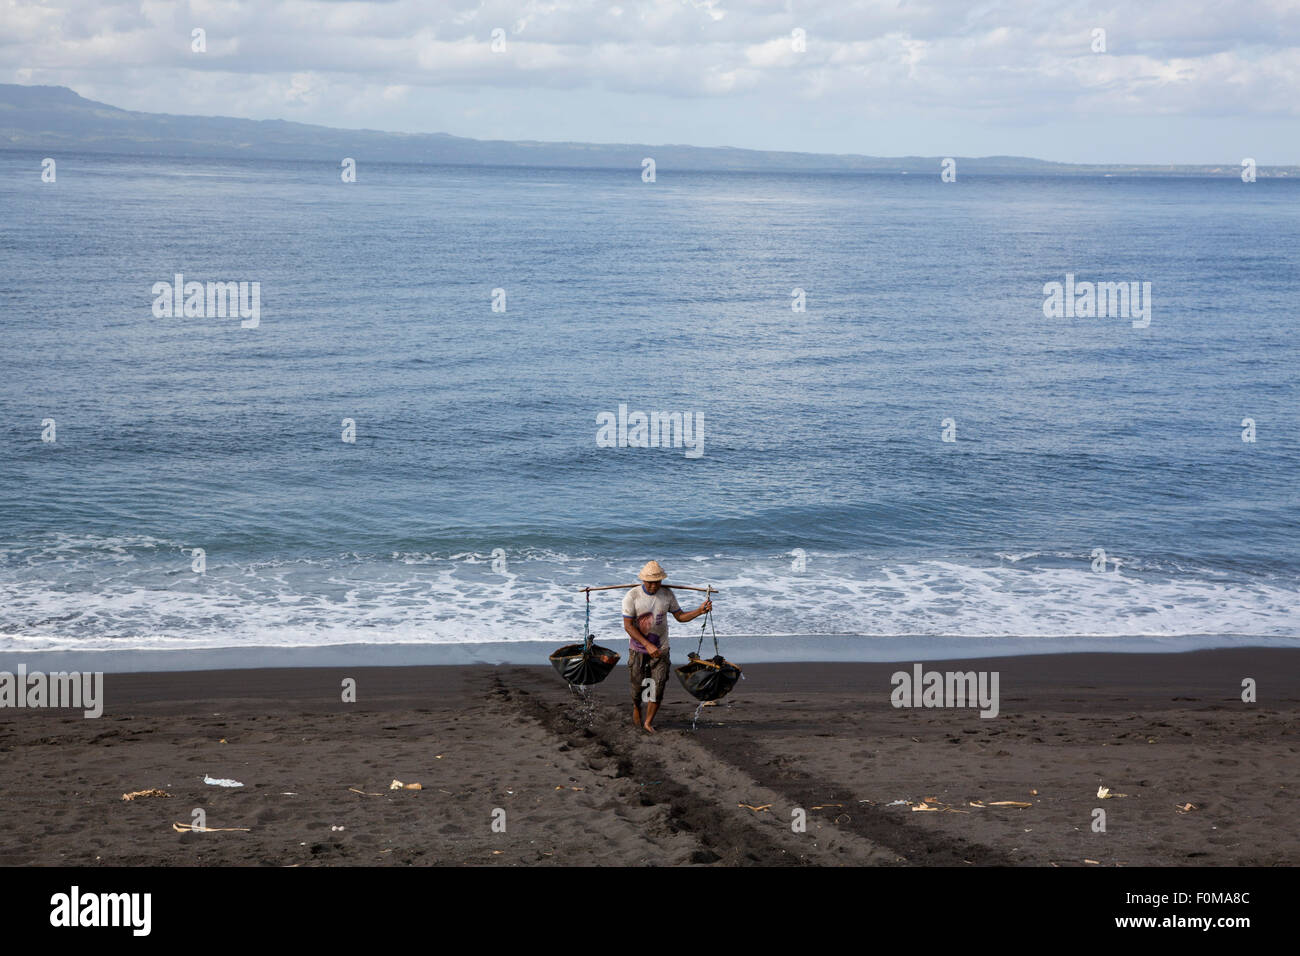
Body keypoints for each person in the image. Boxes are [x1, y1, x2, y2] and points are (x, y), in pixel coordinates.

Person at [622, 560, 712, 734]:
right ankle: (636, 705)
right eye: (650, 582)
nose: (654, 585)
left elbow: (680, 617)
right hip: (638, 649)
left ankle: (648, 722)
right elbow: (628, 627)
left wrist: (700, 611)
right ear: (643, 580)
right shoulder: (632, 596)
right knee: (637, 686)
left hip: (661, 648)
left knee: (658, 685)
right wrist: (647, 645)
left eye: (657, 581)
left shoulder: (667, 595)